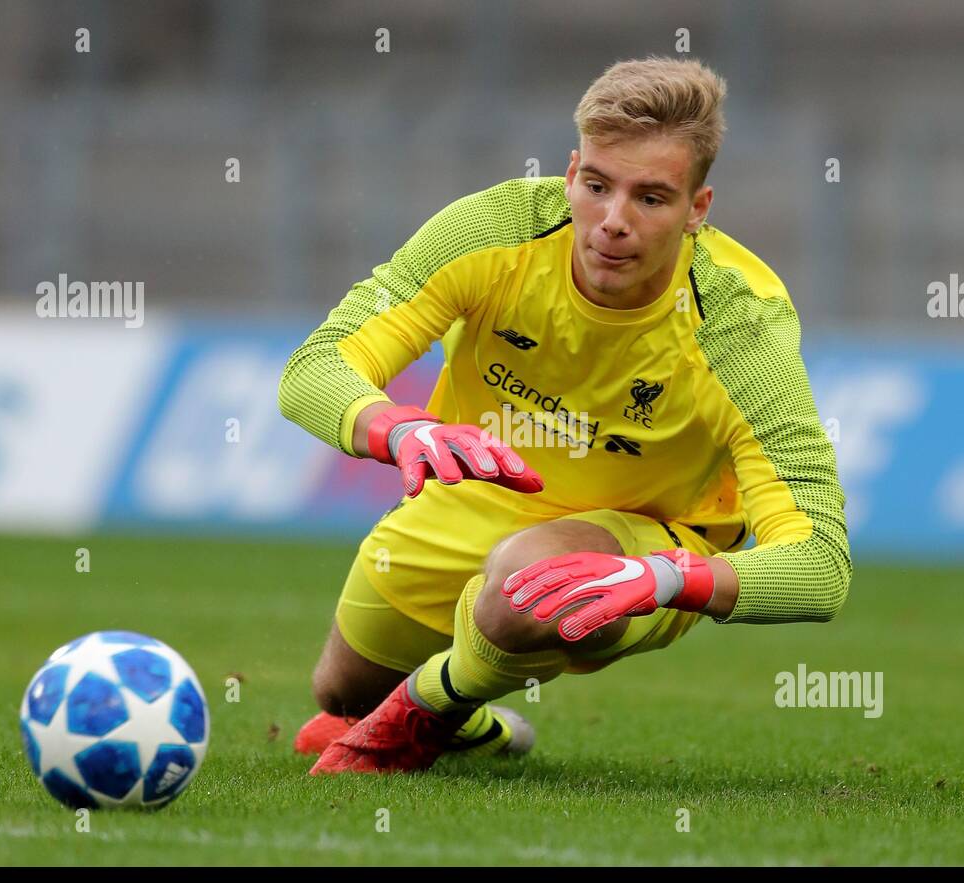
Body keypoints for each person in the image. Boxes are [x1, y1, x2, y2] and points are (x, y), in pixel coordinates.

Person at [278, 56, 851, 774]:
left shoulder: (741, 332)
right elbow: (314, 368)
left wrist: (673, 578)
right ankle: (471, 719)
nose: (613, 222)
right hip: (482, 497)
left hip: (643, 543)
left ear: (697, 208)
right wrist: (401, 427)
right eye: (597, 186)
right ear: (572, 170)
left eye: (651, 198)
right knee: (340, 696)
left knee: (530, 584)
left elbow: (821, 566)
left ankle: (428, 706)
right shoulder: (495, 232)